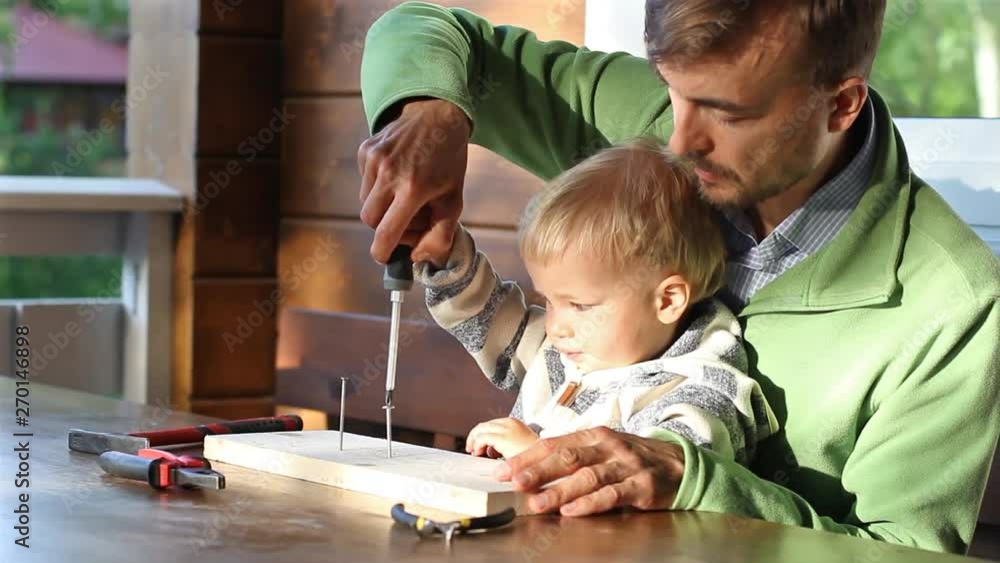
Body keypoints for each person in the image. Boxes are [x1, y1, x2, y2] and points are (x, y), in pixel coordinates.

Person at [356, 0, 1000, 554]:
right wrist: (425, 116)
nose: (680, 140)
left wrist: (693, 479)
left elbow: (905, 557)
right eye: (671, 89)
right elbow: (425, 28)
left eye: (729, 113)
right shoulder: (660, 128)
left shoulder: (954, 302)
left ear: (841, 104)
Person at [413, 139, 778, 463]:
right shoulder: (571, 350)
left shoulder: (698, 395)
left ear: (667, 300)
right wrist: (446, 258)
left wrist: (540, 456)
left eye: (581, 306)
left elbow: (651, 479)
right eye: (551, 302)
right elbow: (494, 323)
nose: (556, 326)